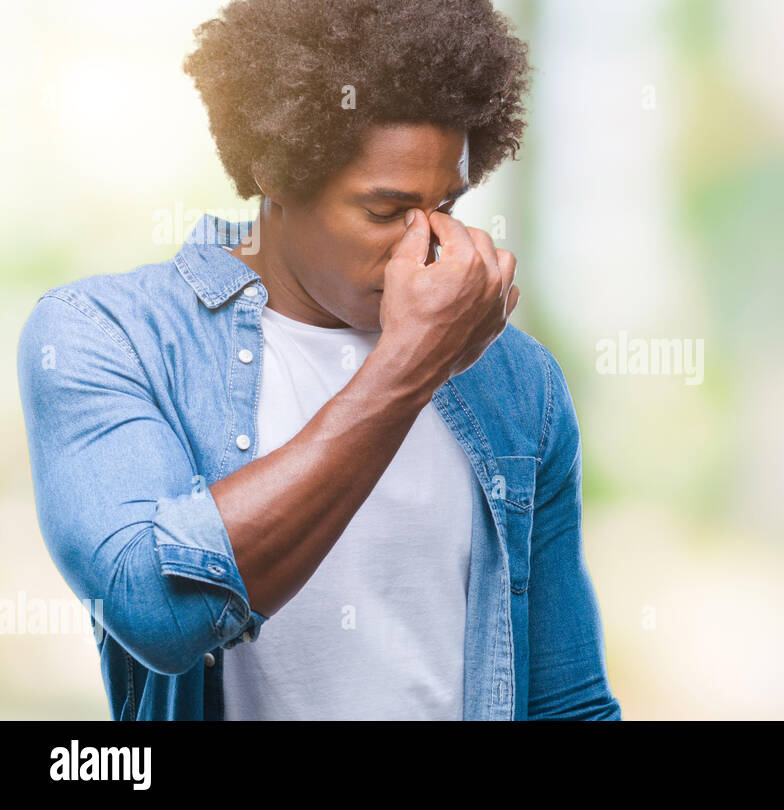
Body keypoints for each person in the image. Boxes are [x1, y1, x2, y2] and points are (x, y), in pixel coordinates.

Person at [15, 0, 620, 721]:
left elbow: (568, 703)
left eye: (447, 206)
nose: (422, 247)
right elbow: (158, 612)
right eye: (386, 210)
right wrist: (410, 365)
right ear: (276, 171)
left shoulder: (516, 379)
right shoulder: (109, 336)